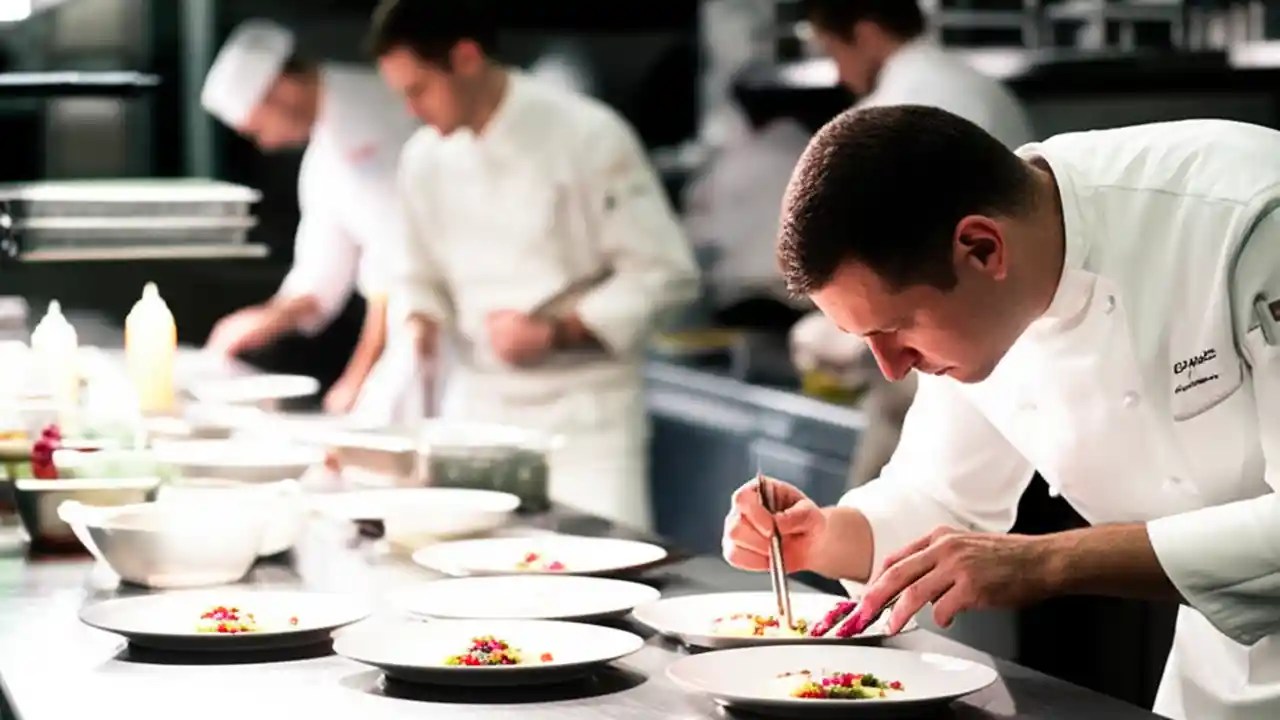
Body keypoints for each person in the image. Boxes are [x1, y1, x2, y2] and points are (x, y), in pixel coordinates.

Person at [723, 104, 1280, 719]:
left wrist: (1049, 562)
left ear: (983, 249)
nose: (890, 367)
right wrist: (824, 538)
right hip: (1221, 665)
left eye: (898, 328)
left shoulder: (1250, 217)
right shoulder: (986, 296)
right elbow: (941, 499)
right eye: (866, 340)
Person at [367, 0, 699, 530]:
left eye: (419, 89)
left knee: (601, 582)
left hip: (585, 426)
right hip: (478, 415)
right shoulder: (423, 159)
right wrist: (420, 322)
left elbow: (666, 274)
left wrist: (556, 331)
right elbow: (414, 275)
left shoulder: (588, 136)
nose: (412, 110)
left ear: (467, 57)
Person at [788, 0, 1036, 488]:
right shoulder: (987, 91)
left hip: (948, 371)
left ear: (865, 30)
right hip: (1011, 357)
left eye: (834, 50)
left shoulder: (884, 123)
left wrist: (835, 334)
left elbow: (898, 275)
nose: (839, 73)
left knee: (902, 530)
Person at [200, 19, 422, 417]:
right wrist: (262, 320)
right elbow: (322, 276)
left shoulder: (376, 114)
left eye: (258, 128)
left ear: (282, 86)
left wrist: (360, 377)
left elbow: (401, 270)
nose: (265, 144)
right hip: (405, 337)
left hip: (439, 337)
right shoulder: (324, 151)